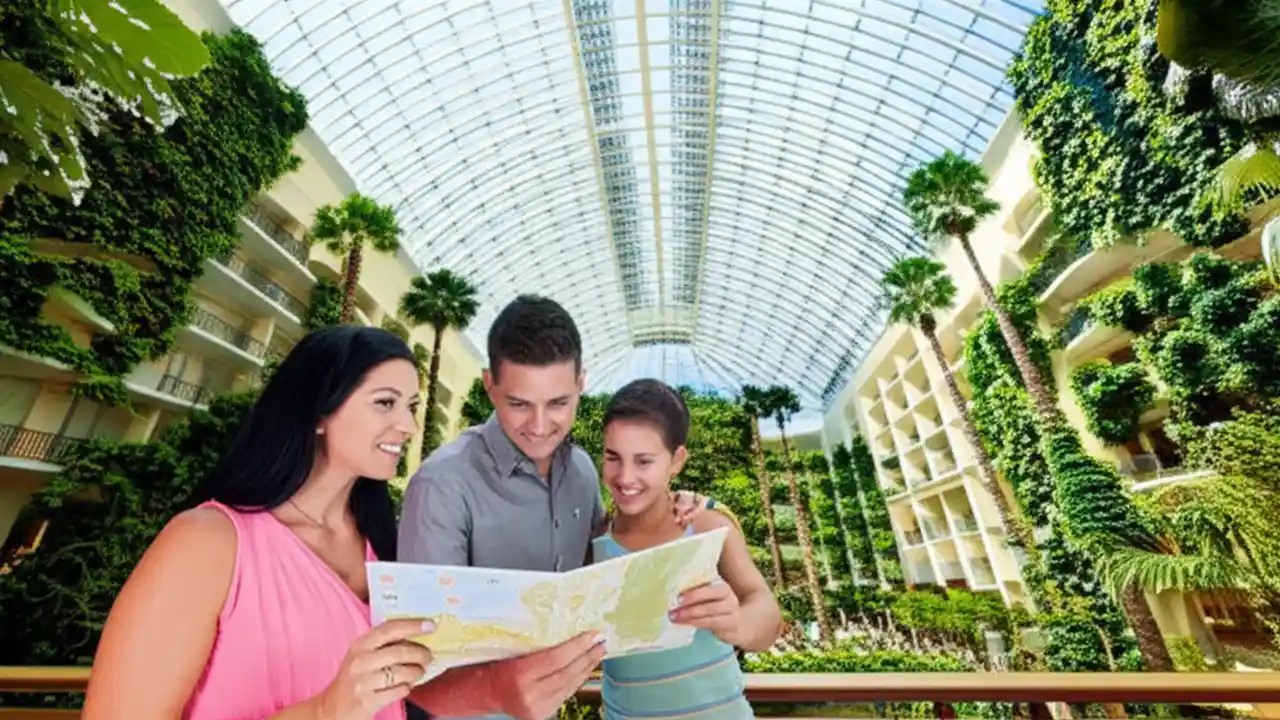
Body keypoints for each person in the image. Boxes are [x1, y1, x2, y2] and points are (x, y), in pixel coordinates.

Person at [83, 325, 602, 720]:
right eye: (385, 403)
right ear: (319, 412)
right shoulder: (207, 543)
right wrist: (326, 709)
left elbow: (420, 685)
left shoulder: (380, 547)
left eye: (412, 405)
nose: (407, 425)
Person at [398, 295, 708, 718]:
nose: (541, 427)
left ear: (581, 382)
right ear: (490, 385)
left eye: (558, 403)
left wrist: (683, 502)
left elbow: (609, 559)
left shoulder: (582, 472)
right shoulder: (442, 486)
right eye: (519, 404)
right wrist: (496, 689)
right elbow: (412, 668)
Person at [594, 378, 781, 719]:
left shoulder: (706, 526)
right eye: (613, 457)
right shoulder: (593, 545)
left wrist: (736, 622)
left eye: (644, 461)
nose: (625, 476)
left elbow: (768, 614)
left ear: (676, 460)